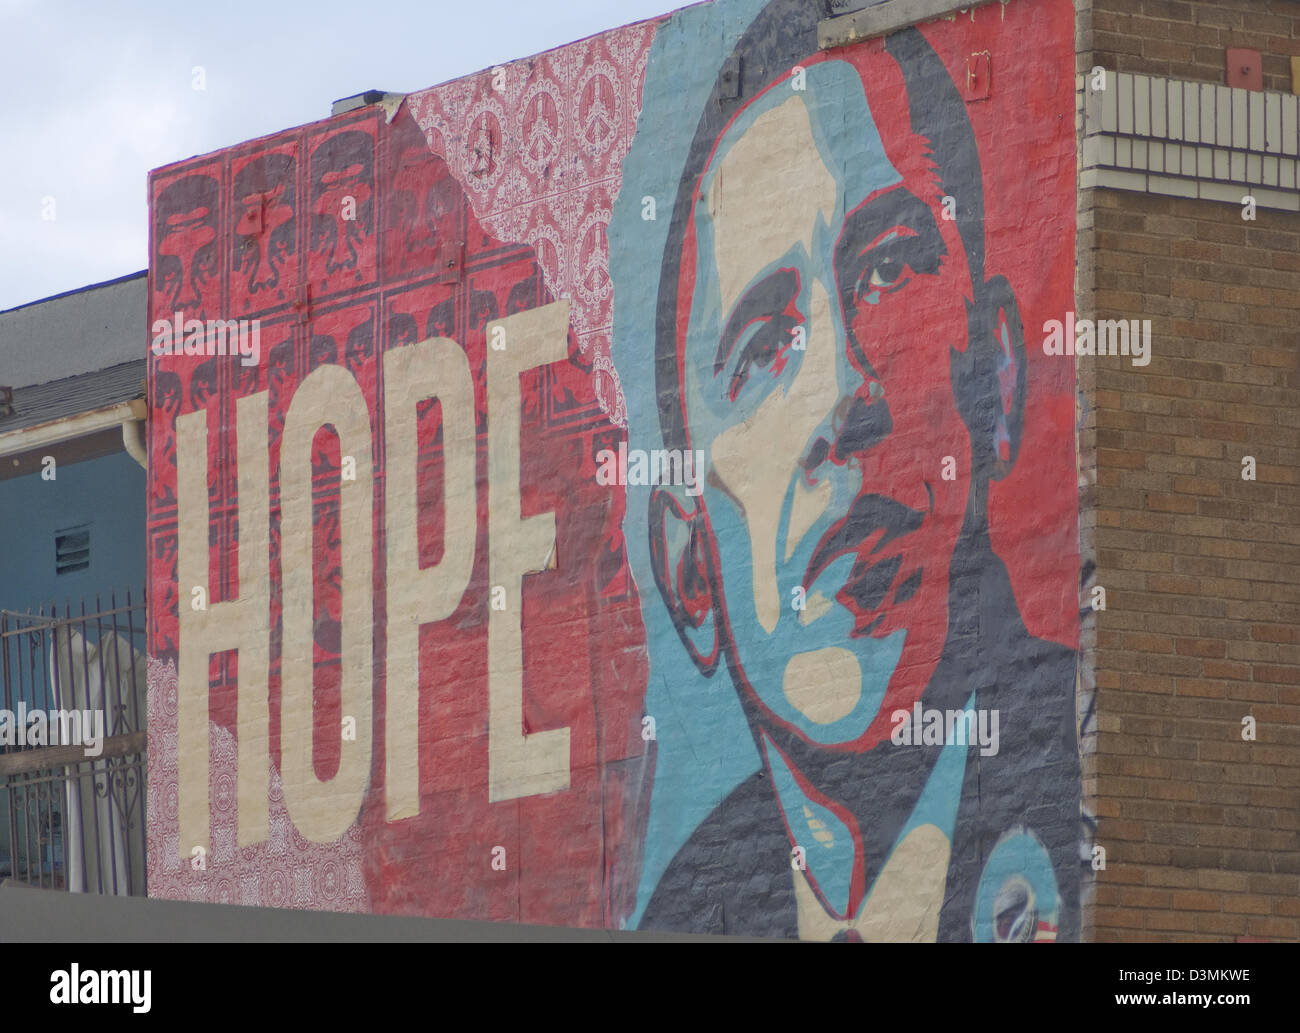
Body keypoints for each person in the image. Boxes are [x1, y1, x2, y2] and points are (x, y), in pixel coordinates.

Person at [634, 1, 1080, 941]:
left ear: (996, 377)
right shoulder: (679, 911)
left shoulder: (1098, 787)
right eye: (760, 350)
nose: (846, 396)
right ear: (689, 571)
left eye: (885, 271)